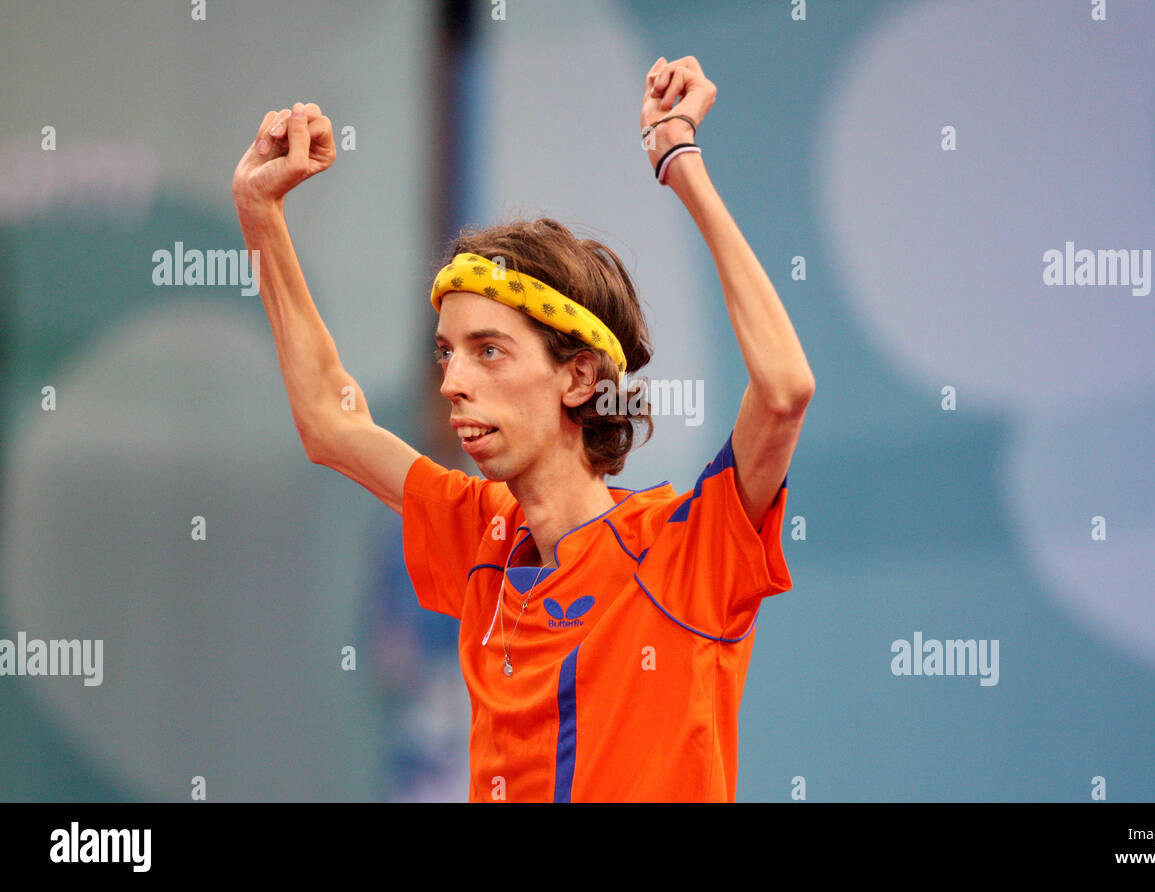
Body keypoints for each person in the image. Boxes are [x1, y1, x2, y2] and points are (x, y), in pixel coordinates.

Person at [231, 55, 815, 802]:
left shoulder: (684, 552)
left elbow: (786, 388)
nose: (453, 381)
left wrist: (680, 163)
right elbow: (327, 422)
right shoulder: (483, 536)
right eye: (447, 353)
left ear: (577, 378)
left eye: (489, 351)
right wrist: (260, 214)